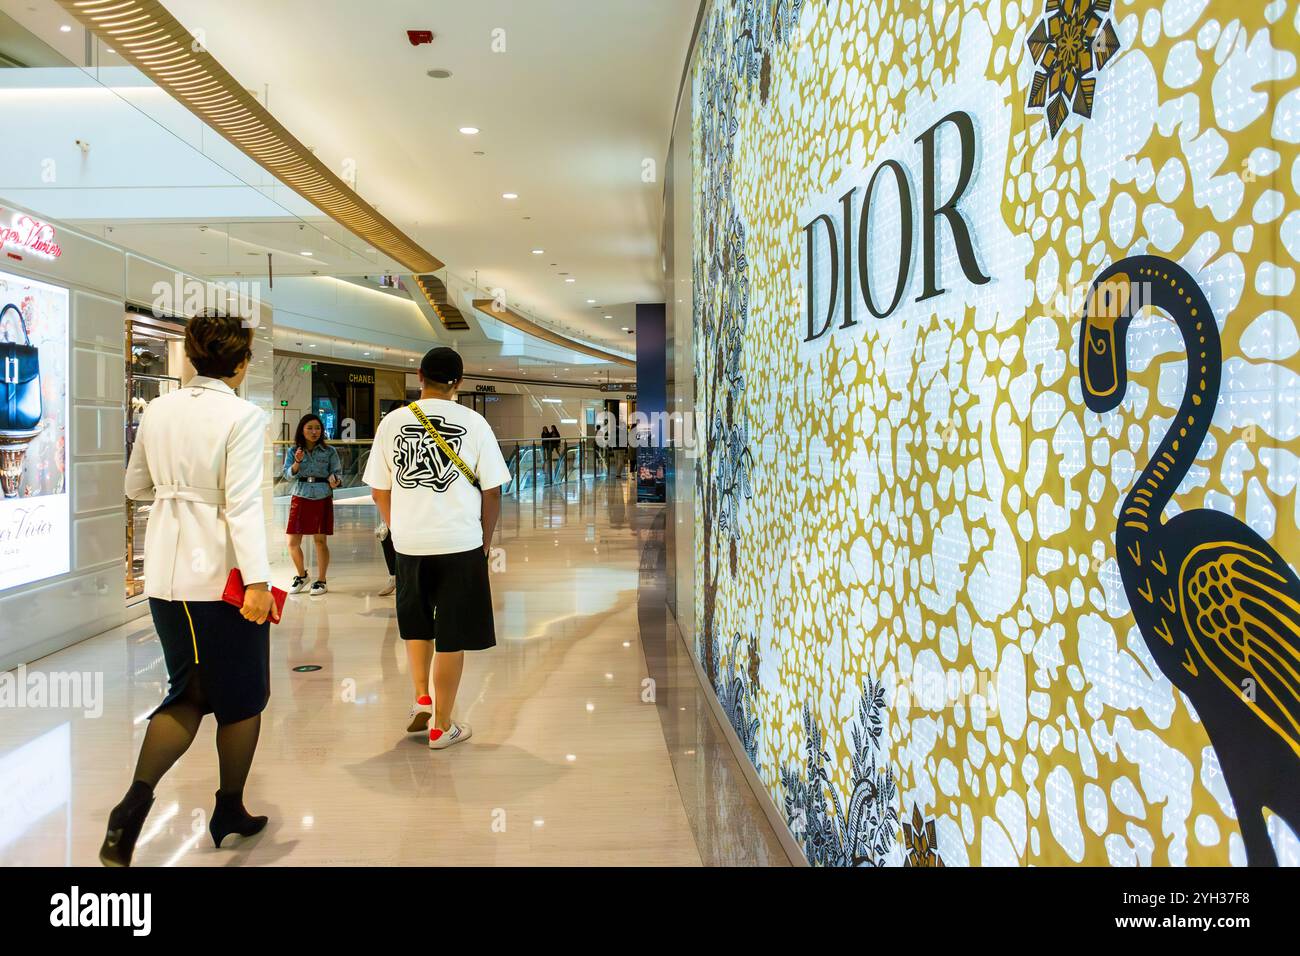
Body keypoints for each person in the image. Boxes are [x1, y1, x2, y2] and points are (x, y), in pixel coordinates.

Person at [102, 311, 274, 867]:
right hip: (218, 578)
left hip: (164, 575)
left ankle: (134, 808)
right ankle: (227, 807)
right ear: (241, 363)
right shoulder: (244, 417)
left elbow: (134, 485)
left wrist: (178, 490)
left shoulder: (158, 409)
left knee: (191, 688)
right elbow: (243, 504)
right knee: (243, 695)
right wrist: (259, 582)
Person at [364, 346, 511, 750]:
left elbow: (379, 488)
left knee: (416, 624)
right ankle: (442, 726)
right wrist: (486, 540)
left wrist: (400, 529)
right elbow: (493, 490)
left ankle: (421, 696)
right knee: (453, 635)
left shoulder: (393, 421)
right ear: (458, 383)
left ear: (419, 376)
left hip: (410, 547)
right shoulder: (474, 422)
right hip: (460, 543)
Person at [283, 413, 342, 596]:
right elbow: (287, 474)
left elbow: (338, 473)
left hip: (322, 495)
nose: (314, 431)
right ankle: (302, 576)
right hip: (300, 495)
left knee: (320, 540)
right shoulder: (294, 451)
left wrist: (335, 481)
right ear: (302, 430)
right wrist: (297, 462)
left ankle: (322, 581)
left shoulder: (329, 451)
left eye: (317, 428)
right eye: (310, 428)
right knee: (292, 541)